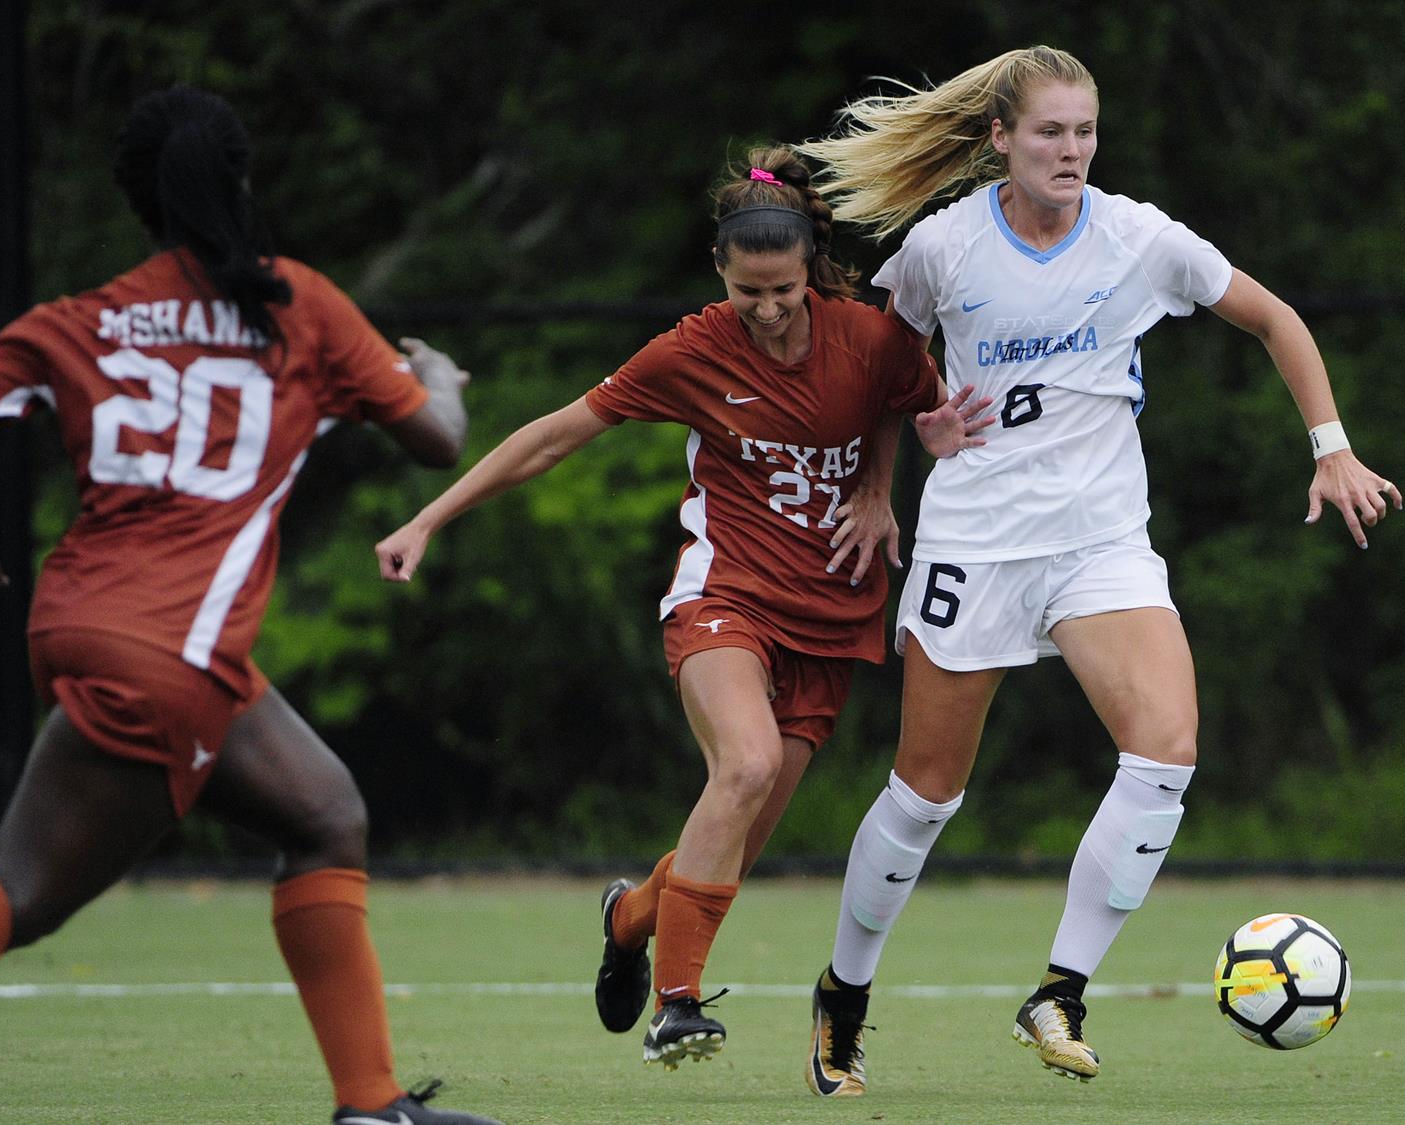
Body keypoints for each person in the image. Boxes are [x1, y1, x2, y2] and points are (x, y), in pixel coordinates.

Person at [791, 45, 1401, 1093]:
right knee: (926, 791)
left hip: (1098, 540)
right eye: (1048, 133)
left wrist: (1330, 445)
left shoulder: (1136, 236)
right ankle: (842, 997)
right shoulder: (943, 248)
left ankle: (1059, 990)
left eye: (1083, 132)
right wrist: (882, 473)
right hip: (975, 540)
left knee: (1164, 749)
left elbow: (1273, 318)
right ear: (999, 140)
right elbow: (885, 371)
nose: (1070, 150)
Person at [372, 147, 985, 1072]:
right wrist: (430, 516)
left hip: (831, 621)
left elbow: (913, 401)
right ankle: (679, 1003)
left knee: (731, 844)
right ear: (720, 273)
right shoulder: (693, 350)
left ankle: (629, 920)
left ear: (809, 268)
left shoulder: (871, 337)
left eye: (783, 290)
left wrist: (881, 480)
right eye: (749, 292)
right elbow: (553, 437)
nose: (769, 310)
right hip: (724, 598)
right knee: (739, 768)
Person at [0, 88, 499, 1125]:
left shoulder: (74, 323)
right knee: (17, 902)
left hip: (98, 619)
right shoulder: (294, 306)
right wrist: (438, 376)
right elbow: (434, 440)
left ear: (137, 199)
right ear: (242, 182)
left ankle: (372, 1104)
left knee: (321, 810)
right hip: (169, 647)